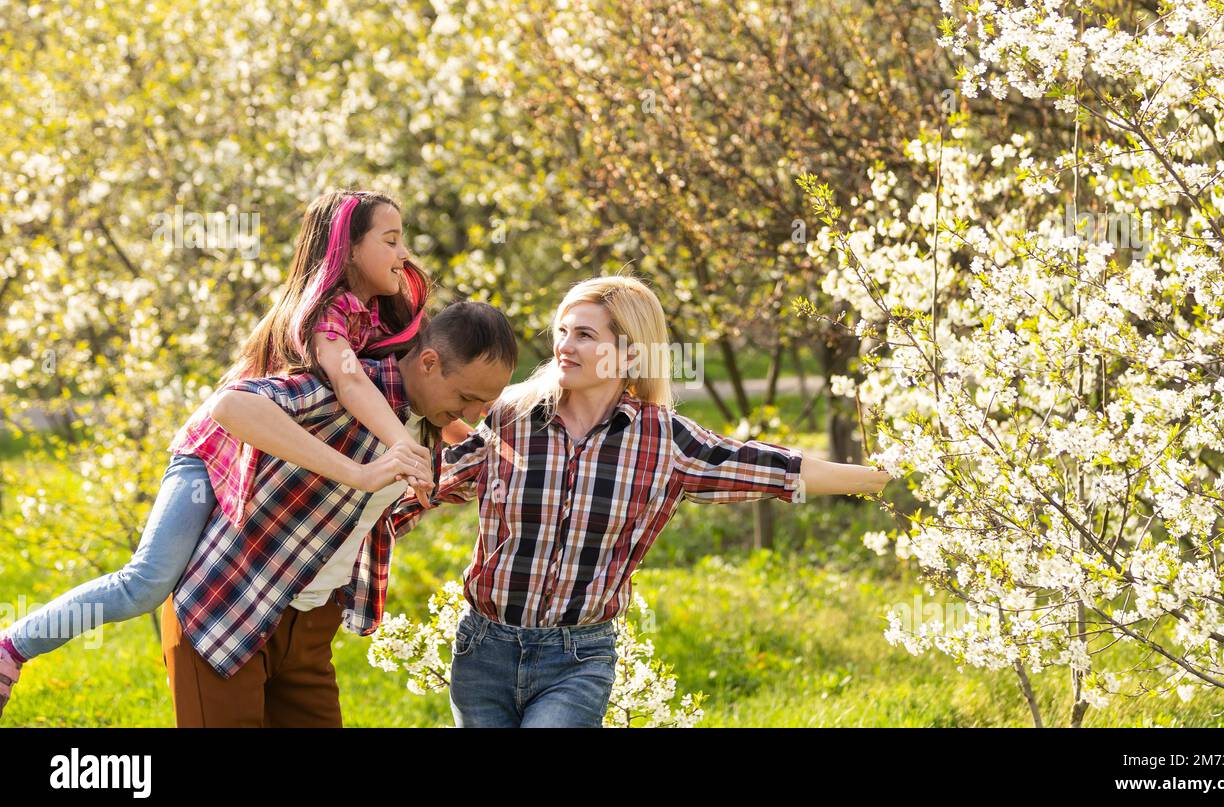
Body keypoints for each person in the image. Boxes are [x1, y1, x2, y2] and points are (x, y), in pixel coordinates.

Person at [0, 189, 454, 718]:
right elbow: (351, 380)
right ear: (347, 249)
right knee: (147, 582)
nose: (405, 255)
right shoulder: (325, 312)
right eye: (391, 240)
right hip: (210, 453)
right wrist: (394, 449)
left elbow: (434, 395)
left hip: (258, 462)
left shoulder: (381, 320)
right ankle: (14, 645)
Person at [430, 275, 893, 727]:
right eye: (563, 331)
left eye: (585, 335)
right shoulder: (511, 416)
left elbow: (770, 468)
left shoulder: (663, 440)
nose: (564, 347)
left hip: (576, 660)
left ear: (630, 353)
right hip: (482, 651)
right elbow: (434, 476)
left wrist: (877, 479)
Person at [162, 301, 516, 726]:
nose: (473, 415)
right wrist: (358, 474)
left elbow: (487, 465)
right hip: (227, 607)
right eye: (466, 397)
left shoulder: (429, 431)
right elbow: (232, 406)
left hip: (309, 628)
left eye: (484, 404)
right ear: (428, 362)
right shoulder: (351, 386)